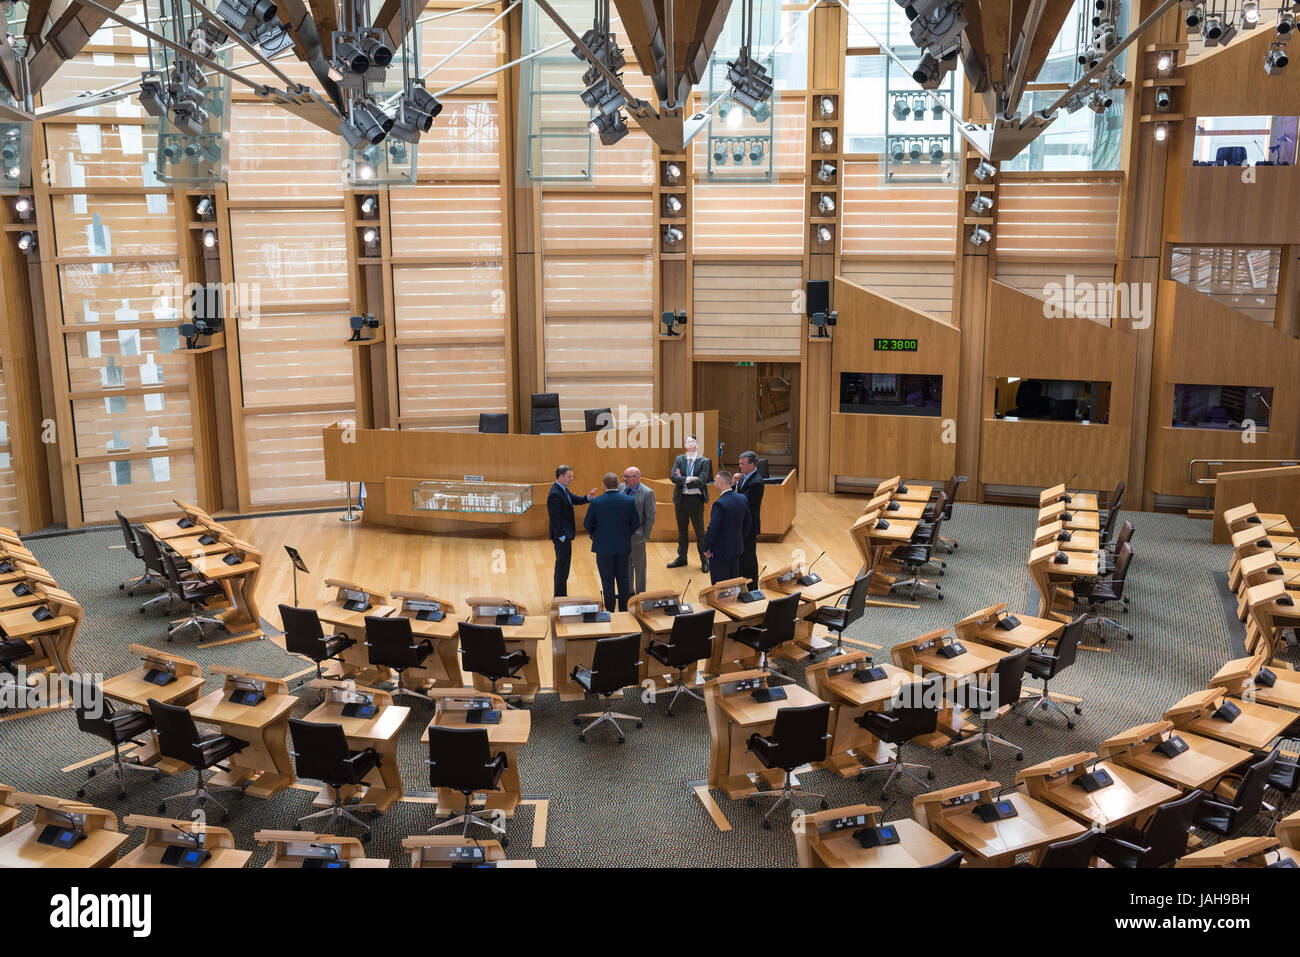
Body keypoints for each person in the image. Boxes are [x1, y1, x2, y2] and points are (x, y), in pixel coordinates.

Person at [584, 472, 641, 612]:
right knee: (623, 579)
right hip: (623, 546)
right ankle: (623, 611)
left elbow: (587, 524)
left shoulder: (596, 502)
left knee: (607, 580)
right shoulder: (628, 501)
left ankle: (610, 611)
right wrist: (626, 535)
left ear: (603, 485)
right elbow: (635, 523)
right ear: (617, 484)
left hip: (603, 548)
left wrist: (596, 535)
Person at [548, 465, 598, 598]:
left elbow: (575, 499)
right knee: (562, 567)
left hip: (565, 535)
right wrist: (561, 536)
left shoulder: (563, 490)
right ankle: (559, 596)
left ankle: (561, 594)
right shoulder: (555, 494)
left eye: (572, 476)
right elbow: (554, 519)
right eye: (569, 476)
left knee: (564, 566)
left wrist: (588, 497)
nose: (571, 478)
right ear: (561, 476)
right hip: (562, 537)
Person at [667, 434, 712, 573]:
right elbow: (673, 477)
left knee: (700, 533)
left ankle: (705, 561)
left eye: (693, 442)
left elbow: (702, 481)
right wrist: (689, 479)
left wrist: (683, 479)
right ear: (685, 446)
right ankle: (682, 558)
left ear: (697, 445)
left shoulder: (704, 461)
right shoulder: (679, 459)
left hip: (696, 501)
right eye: (687, 442)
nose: (690, 444)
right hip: (681, 500)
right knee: (682, 532)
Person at [701, 469, 750, 584]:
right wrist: (739, 539)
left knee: (721, 588)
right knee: (733, 586)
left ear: (721, 483)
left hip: (720, 552)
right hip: (736, 549)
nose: (714, 484)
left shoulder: (719, 504)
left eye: (715, 481)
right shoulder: (742, 498)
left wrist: (705, 547)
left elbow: (712, 529)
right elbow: (747, 523)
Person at [618, 466, 657, 595]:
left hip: (637, 538)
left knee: (639, 569)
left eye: (628, 477)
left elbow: (650, 516)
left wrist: (644, 536)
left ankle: (641, 595)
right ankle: (629, 593)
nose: (625, 479)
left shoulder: (647, 492)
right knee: (626, 566)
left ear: (638, 478)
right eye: (624, 476)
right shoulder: (621, 488)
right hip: (622, 537)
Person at [735, 451, 764, 590]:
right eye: (739, 463)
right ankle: (742, 586)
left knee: (749, 559)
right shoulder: (744, 477)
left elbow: (743, 501)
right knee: (741, 558)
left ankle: (752, 589)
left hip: (750, 526)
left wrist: (732, 485)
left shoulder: (756, 482)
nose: (740, 466)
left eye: (743, 464)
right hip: (741, 524)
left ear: (752, 464)